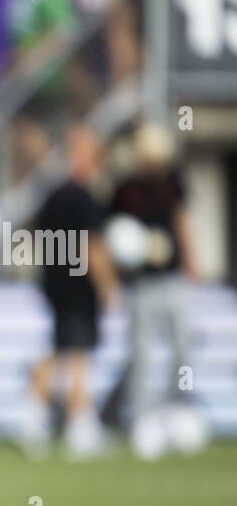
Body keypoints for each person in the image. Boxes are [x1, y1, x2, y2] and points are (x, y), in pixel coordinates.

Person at [20, 124, 119, 459]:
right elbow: (92, 246)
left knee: (63, 349)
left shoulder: (53, 195)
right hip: (77, 288)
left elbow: (37, 238)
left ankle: (37, 415)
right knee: (77, 354)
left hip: (54, 284)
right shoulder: (82, 197)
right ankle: (79, 424)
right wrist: (108, 285)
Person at [108, 122, 199, 460]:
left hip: (172, 277)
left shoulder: (173, 181)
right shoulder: (125, 189)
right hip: (142, 282)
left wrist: (190, 258)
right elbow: (114, 235)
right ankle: (143, 418)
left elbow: (180, 220)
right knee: (142, 352)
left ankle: (179, 408)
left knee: (181, 345)